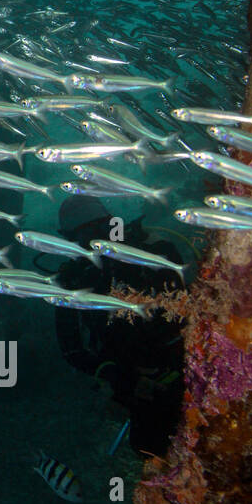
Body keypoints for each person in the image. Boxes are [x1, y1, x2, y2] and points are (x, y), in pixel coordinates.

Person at [51, 196, 184, 457]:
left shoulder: (154, 250)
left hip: (178, 369)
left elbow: (188, 311)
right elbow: (72, 350)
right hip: (140, 387)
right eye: (86, 234)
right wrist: (124, 379)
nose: (96, 239)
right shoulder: (74, 280)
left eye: (100, 228)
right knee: (154, 452)